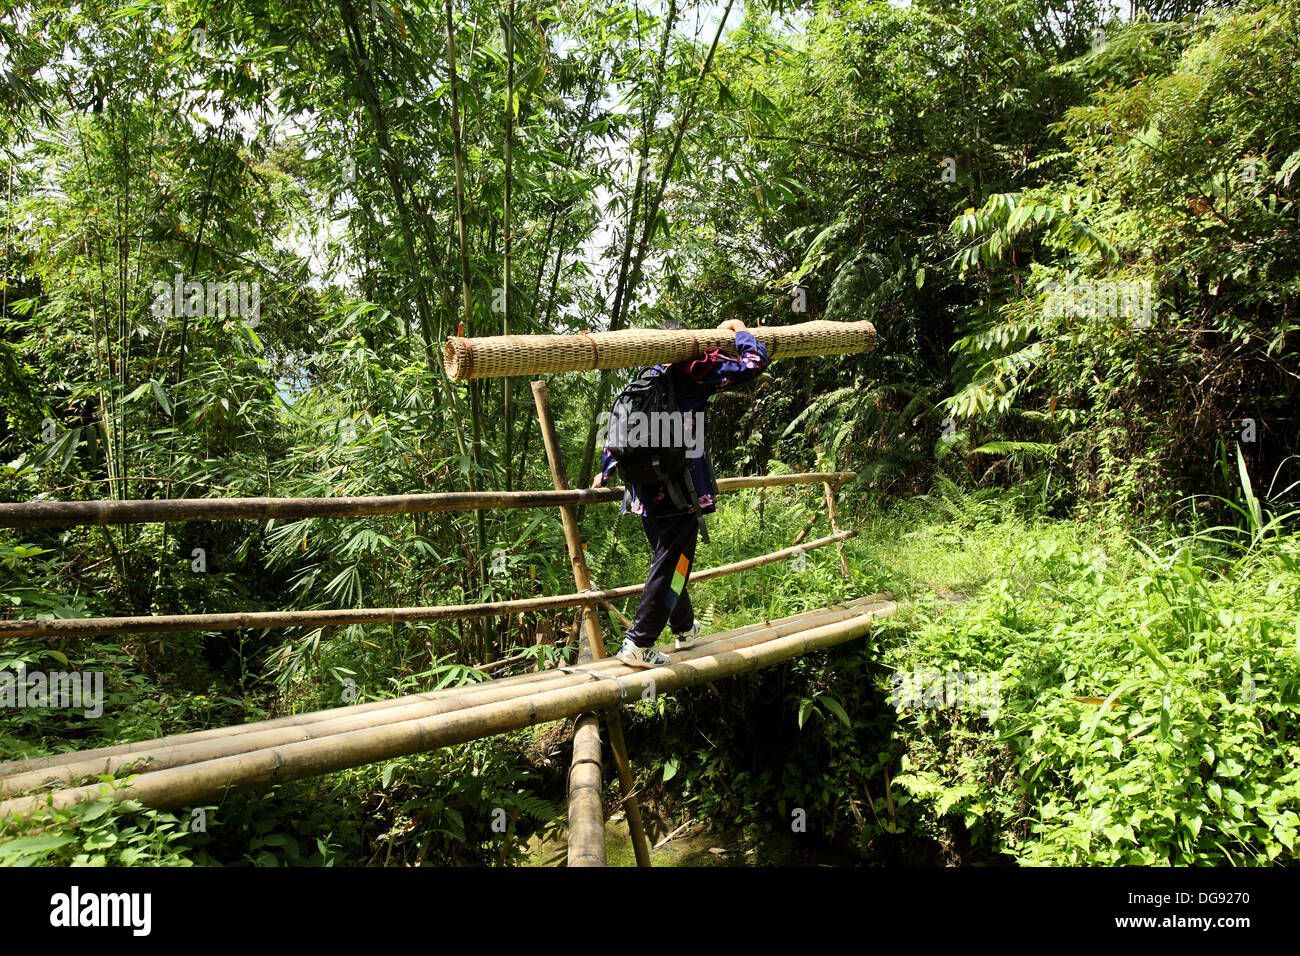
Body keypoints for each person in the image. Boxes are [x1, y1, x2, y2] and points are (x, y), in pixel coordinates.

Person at [593, 318, 770, 667]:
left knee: (671, 562)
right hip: (680, 490)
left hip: (643, 492)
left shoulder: (646, 375)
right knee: (675, 564)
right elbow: (754, 364)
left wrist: (606, 469)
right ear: (688, 344)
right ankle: (638, 643)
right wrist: (739, 332)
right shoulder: (694, 371)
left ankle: (685, 628)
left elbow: (620, 425)